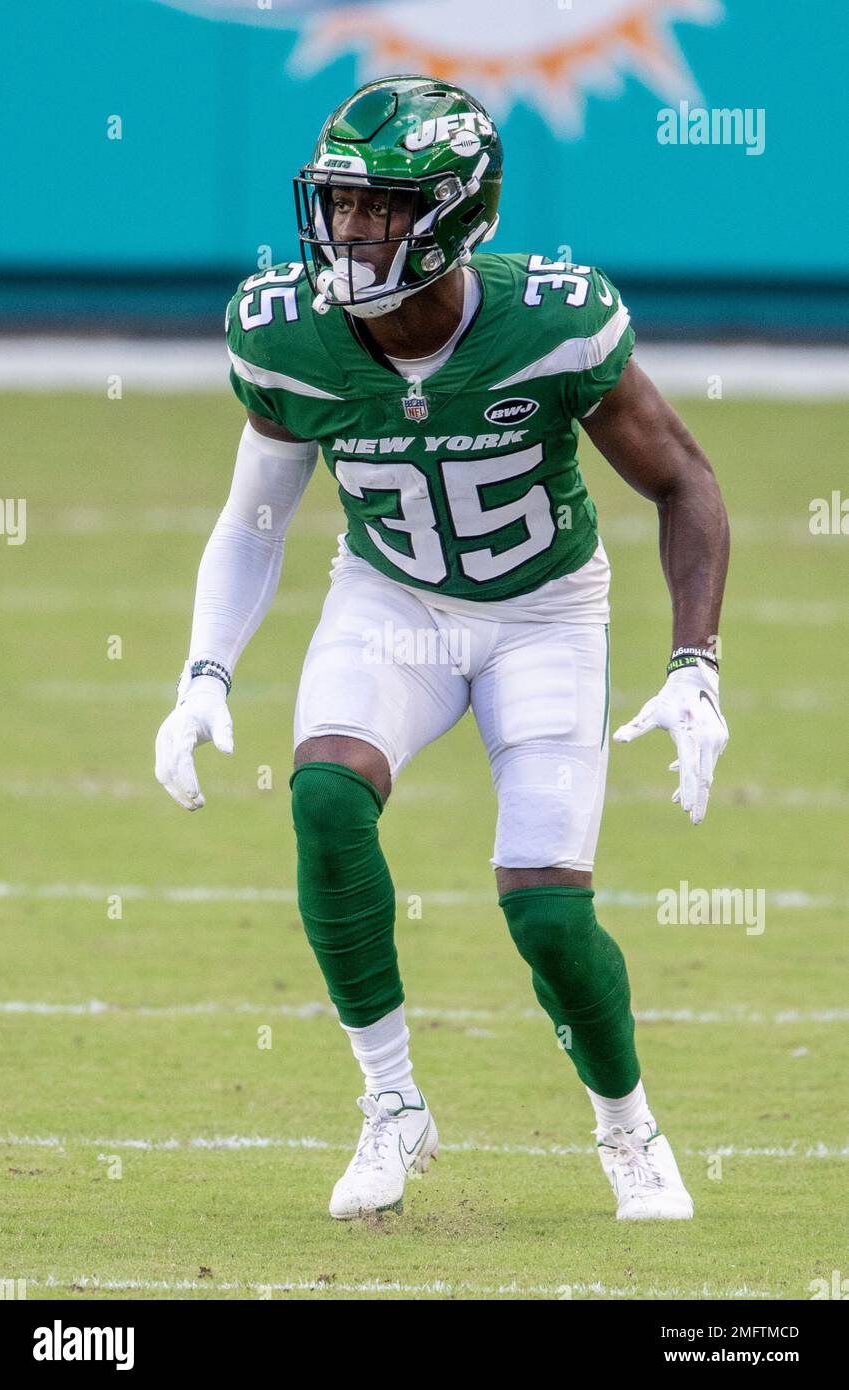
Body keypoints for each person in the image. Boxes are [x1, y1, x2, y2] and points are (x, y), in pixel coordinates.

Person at [155, 75, 729, 1222]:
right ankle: (391, 1105)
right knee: (323, 796)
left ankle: (626, 1125)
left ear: (457, 213)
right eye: (339, 204)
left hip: (544, 614)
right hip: (391, 599)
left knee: (547, 916)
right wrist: (203, 670)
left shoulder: (551, 320)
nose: (348, 233)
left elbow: (682, 480)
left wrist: (693, 665)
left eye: (381, 208)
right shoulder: (286, 333)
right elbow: (256, 516)